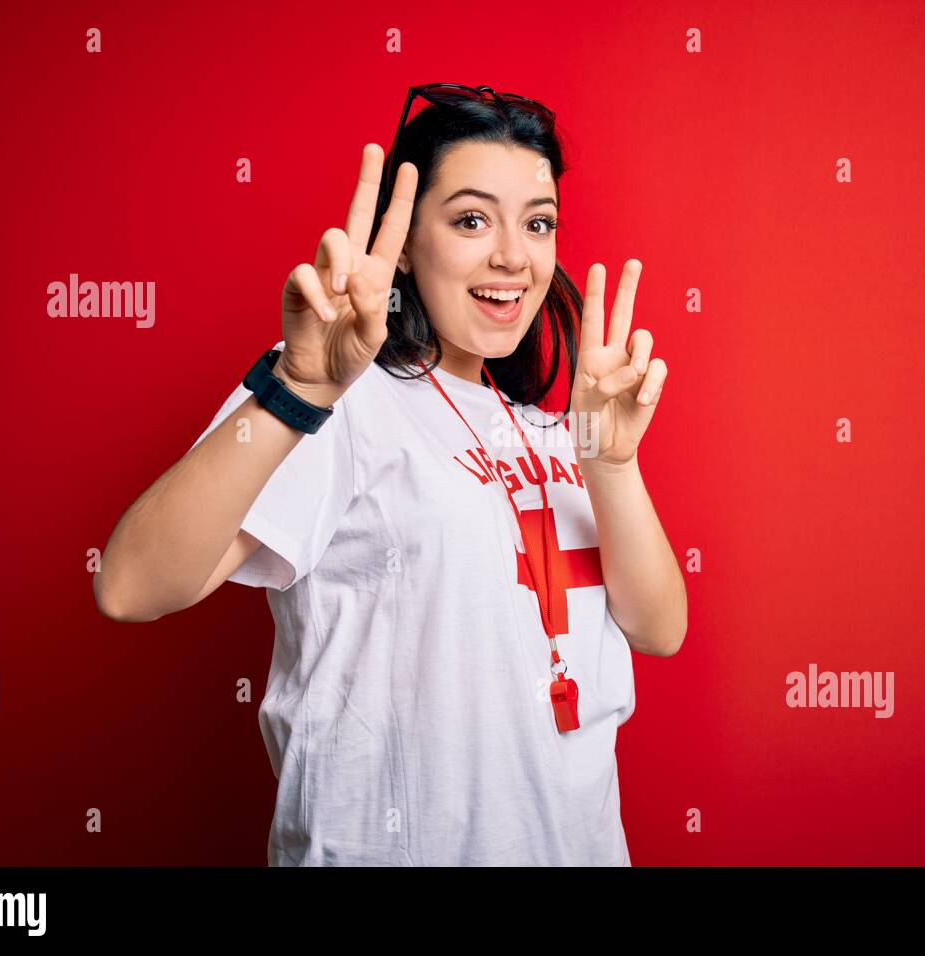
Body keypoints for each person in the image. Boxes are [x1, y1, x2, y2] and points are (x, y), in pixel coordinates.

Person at [93, 84, 687, 866]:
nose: (513, 255)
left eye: (537, 223)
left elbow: (658, 628)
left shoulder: (557, 430)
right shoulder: (343, 397)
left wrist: (610, 463)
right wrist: (300, 391)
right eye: (471, 219)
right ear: (404, 243)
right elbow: (130, 586)